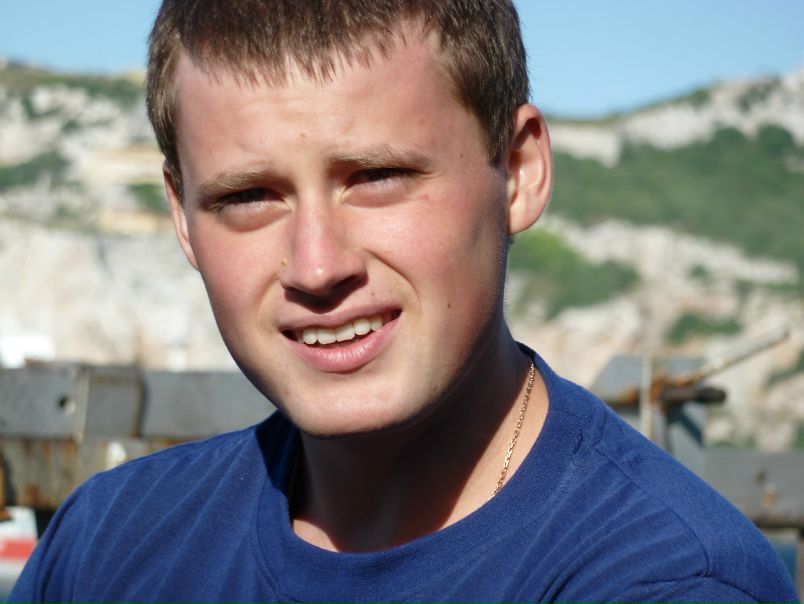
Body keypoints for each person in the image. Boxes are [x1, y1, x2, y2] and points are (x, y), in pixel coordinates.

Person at [10, 1, 798, 602]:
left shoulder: (666, 582)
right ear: (182, 219)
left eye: (378, 177)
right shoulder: (108, 548)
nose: (317, 266)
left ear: (518, 173)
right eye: (249, 196)